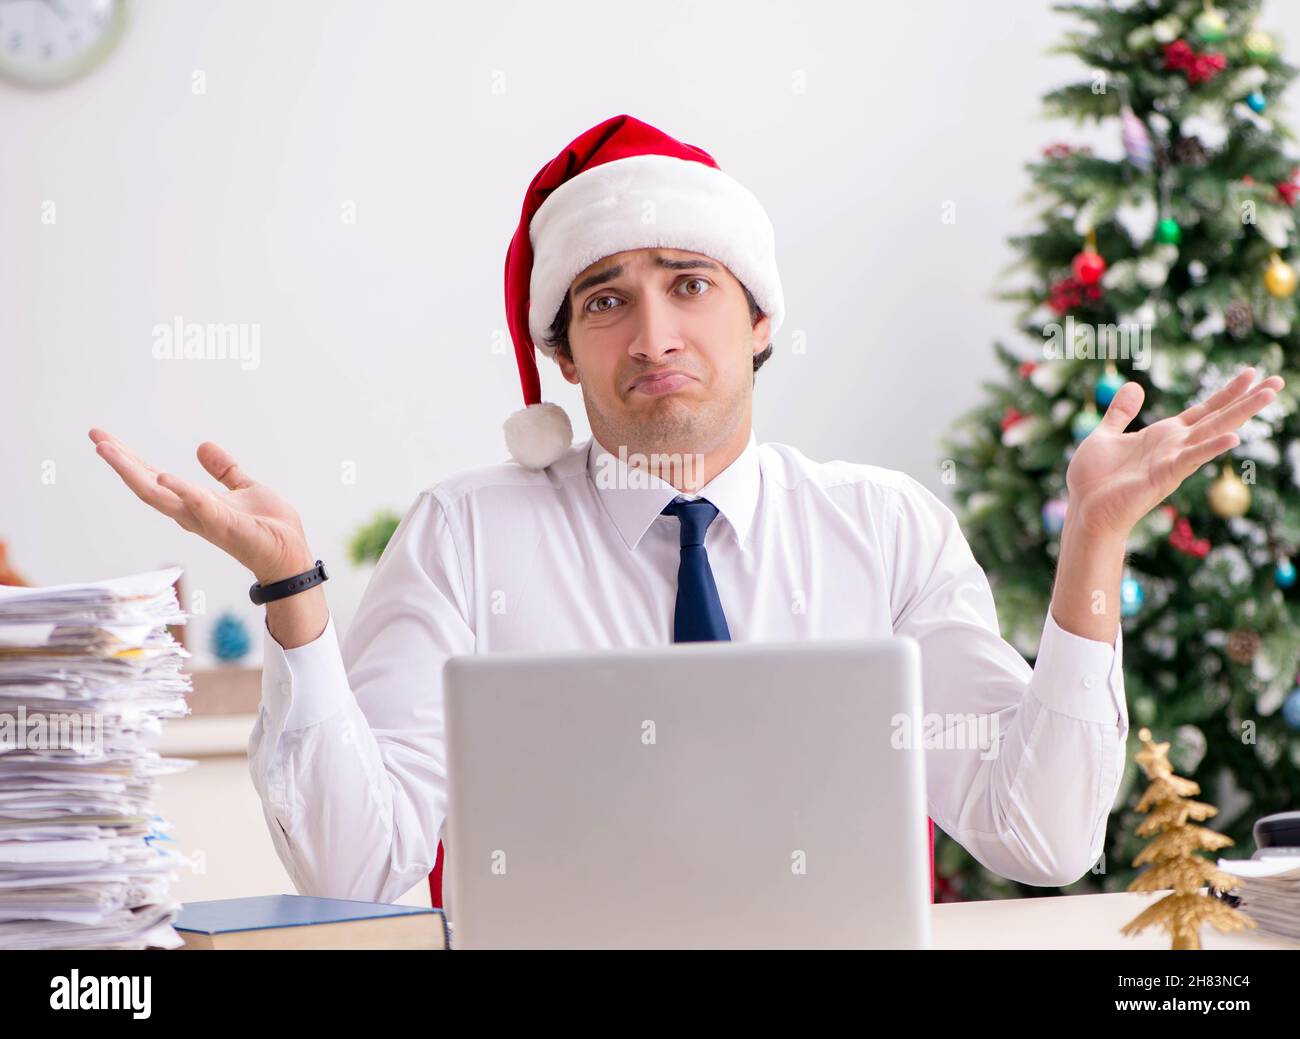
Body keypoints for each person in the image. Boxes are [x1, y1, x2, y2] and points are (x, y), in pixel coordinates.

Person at [90, 114, 1283, 918]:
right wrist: (296, 596)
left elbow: (1042, 837)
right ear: (560, 354)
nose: (653, 334)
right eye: (605, 300)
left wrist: (1092, 550)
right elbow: (357, 865)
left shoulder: (885, 527)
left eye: (690, 284)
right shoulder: (463, 533)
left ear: (760, 319)